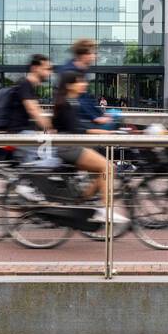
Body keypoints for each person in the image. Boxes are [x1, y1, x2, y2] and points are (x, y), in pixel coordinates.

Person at [52, 70, 124, 224]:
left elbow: (78, 127)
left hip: (69, 145)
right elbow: (78, 130)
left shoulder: (70, 102)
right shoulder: (66, 104)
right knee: (108, 169)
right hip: (68, 147)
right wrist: (103, 133)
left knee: (103, 171)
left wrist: (103, 133)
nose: (83, 84)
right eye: (79, 81)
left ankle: (82, 200)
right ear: (70, 85)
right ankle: (105, 210)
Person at [56, 39, 114, 131]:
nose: (95, 56)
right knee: (109, 129)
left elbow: (86, 97)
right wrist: (95, 117)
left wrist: (100, 114)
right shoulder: (70, 71)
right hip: (76, 121)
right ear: (84, 55)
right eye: (93, 53)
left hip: (80, 119)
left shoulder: (82, 69)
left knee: (114, 119)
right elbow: (77, 100)